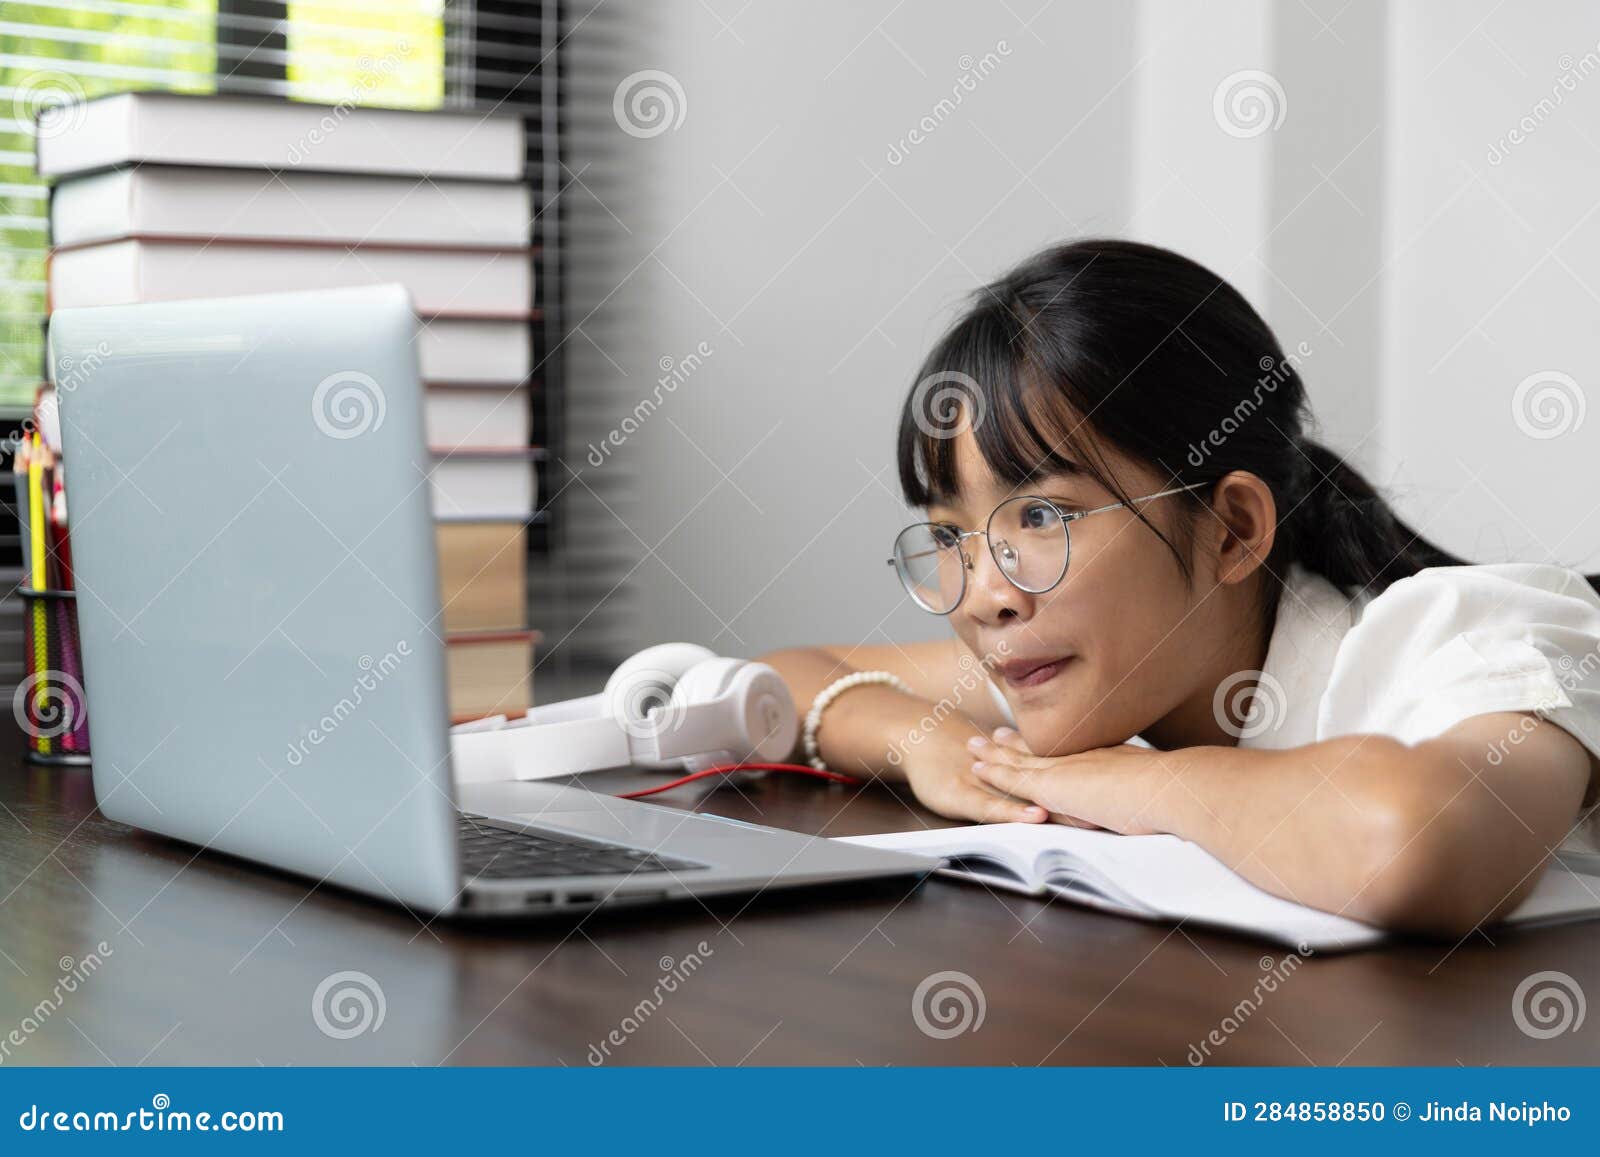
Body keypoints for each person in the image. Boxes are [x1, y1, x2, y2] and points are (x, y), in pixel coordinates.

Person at [761, 239, 1600, 937]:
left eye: (1045, 517)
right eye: (952, 537)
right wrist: (934, 748)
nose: (985, 596)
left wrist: (1131, 784)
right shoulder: (1076, 656)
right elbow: (793, 674)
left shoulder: (1474, 643)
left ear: (1232, 529)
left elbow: (1414, 843)